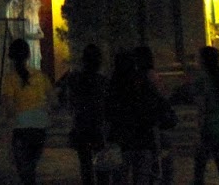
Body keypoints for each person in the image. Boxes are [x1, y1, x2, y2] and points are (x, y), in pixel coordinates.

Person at [107, 47, 174, 185]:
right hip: (143, 139)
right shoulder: (142, 83)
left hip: (121, 140)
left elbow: (108, 114)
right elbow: (157, 105)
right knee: (141, 177)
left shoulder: (112, 87)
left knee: (120, 177)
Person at [2, 37, 54, 185]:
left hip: (21, 127)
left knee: (24, 169)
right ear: (28, 55)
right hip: (39, 126)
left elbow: (9, 107)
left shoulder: (10, 79)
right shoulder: (40, 76)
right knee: (31, 166)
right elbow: (53, 100)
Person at [66, 43, 109, 185]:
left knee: (85, 165)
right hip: (98, 126)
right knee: (101, 163)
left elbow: (71, 102)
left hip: (82, 125)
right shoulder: (102, 82)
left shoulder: (76, 80)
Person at [192, 46, 219, 185]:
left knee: (200, 167)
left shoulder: (202, 81)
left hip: (209, 127)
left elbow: (201, 108)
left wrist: (198, 131)